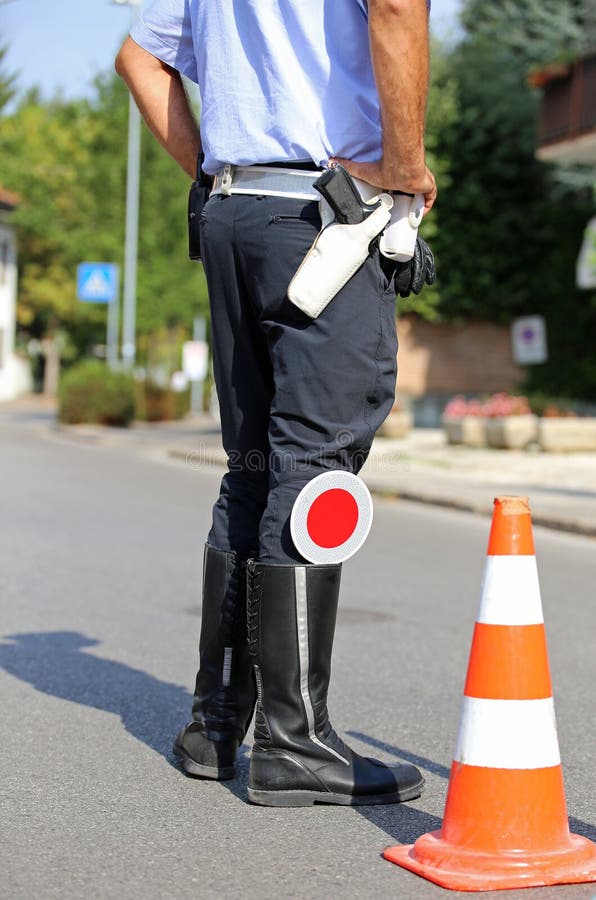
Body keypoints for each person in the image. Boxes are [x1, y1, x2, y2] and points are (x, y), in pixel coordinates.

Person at [116, 0, 436, 808]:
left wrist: (211, 172)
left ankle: (215, 725)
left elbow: (138, 60)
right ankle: (294, 744)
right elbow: (399, 6)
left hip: (231, 211)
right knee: (315, 467)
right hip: (321, 215)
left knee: (253, 468)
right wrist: (403, 170)